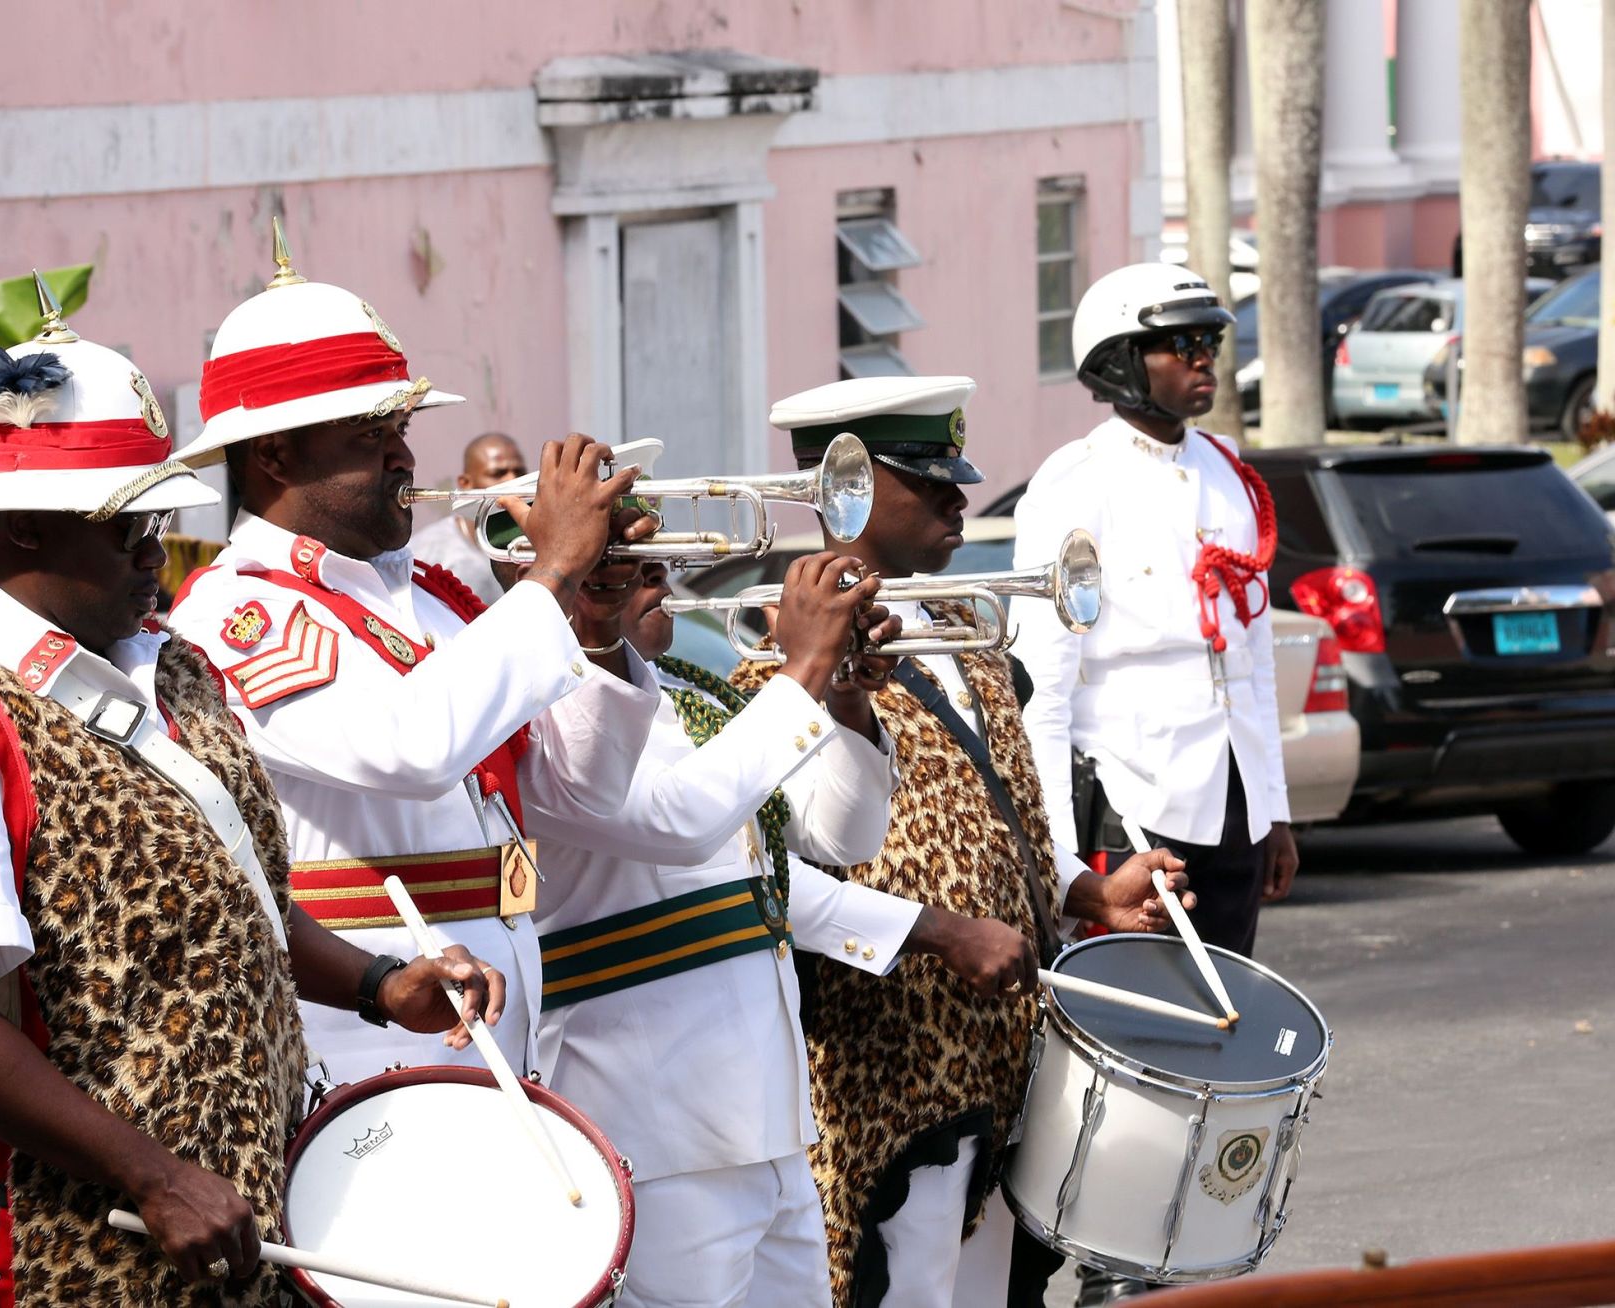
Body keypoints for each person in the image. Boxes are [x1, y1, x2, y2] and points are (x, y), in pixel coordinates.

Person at [0, 284, 497, 1306]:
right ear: (20, 527)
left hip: (250, 1219)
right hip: (84, 1246)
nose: (158, 546)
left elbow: (243, 906)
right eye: (125, 525)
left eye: (158, 513)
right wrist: (152, 1174)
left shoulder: (175, 667)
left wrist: (380, 985)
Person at [735, 376, 1192, 1308]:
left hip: (1002, 1047)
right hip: (890, 1061)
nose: (959, 497)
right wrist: (936, 928)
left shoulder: (966, 624)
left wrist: (1085, 890)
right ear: (846, 488)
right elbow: (778, 873)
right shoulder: (776, 662)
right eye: (926, 477)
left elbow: (999, 810)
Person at [168, 228, 660, 1087]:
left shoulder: (436, 599)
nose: (405, 454)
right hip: (365, 1041)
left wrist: (596, 623)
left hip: (500, 1018)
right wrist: (550, 573)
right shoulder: (236, 609)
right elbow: (410, 747)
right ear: (275, 453)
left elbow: (578, 793)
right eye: (370, 435)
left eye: (401, 425)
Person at [526, 548, 1050, 1308]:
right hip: (654, 1117)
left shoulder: (686, 691)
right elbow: (685, 826)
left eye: (656, 562)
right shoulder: (553, 709)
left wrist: (841, 698)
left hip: (766, 1107)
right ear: (574, 580)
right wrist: (802, 666)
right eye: (631, 567)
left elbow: (838, 836)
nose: (662, 579)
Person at [1009, 261, 1298, 961]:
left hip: (1235, 808)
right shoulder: (1076, 484)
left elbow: (1252, 659)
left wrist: (1276, 812)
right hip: (1131, 808)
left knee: (1232, 1022)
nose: (1204, 360)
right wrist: (1060, 858)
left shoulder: (1228, 472)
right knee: (1141, 1029)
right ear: (1120, 363)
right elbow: (1041, 688)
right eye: (1181, 345)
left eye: (1210, 344)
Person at [406, 431, 528, 599]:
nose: (513, 480)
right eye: (498, 473)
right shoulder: (426, 553)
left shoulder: (534, 537)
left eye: (519, 472)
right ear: (466, 483)